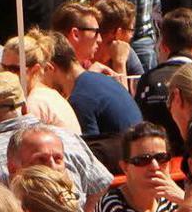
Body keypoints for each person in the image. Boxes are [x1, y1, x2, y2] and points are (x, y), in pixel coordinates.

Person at [90, 122, 192, 212]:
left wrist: (184, 200)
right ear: (125, 167)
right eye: (142, 160)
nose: (155, 166)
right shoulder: (113, 206)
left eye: (161, 157)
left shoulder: (174, 202)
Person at [48, 36, 144, 165]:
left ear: (51, 68)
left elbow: (91, 158)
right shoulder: (101, 80)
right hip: (137, 157)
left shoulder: (80, 98)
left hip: (127, 167)